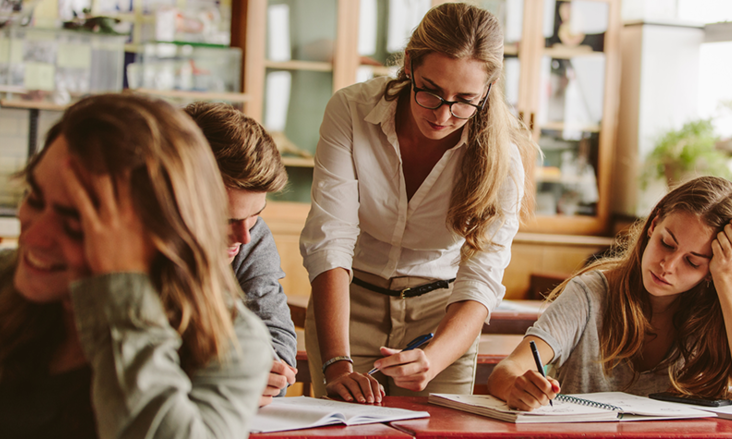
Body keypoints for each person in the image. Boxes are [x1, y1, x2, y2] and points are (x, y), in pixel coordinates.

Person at [301, 2, 537, 403]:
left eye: (464, 100)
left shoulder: (503, 156)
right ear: (409, 65)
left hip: (441, 319)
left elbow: (481, 276)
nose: (444, 115)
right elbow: (330, 237)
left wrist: (434, 358)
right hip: (349, 304)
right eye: (431, 90)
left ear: (488, 90)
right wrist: (337, 361)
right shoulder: (351, 111)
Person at [0, 94, 273, 438]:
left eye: (75, 220)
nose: (36, 236)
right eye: (34, 199)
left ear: (163, 232)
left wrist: (120, 294)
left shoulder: (230, 342)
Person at [488, 176, 732, 410]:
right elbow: (507, 370)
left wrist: (728, 278)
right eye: (667, 243)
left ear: (710, 271)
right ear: (653, 225)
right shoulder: (589, 296)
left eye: (692, 261)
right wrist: (518, 387)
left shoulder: (712, 314)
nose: (668, 266)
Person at [184, 102, 298, 407]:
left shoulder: (252, 235)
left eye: (256, 215)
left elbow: (280, 348)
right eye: (225, 220)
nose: (243, 237)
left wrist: (248, 374)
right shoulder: (128, 245)